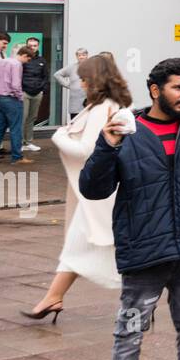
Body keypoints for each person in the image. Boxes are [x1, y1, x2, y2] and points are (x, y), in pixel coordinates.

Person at [79, 58, 180, 360]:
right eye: (177, 88)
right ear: (155, 90)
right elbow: (92, 188)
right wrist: (106, 146)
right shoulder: (128, 130)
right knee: (129, 331)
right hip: (144, 253)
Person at [24, 54, 126, 322]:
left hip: (99, 194)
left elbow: (87, 150)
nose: (80, 84)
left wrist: (58, 136)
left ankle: (53, 298)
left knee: (79, 246)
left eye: (84, 79)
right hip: (99, 192)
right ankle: (53, 298)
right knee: (86, 247)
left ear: (95, 80)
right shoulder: (109, 105)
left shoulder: (104, 107)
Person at [0, 45, 30, 164]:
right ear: (24, 55)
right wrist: (20, 97)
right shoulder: (16, 64)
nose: (27, 62)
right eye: (28, 59)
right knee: (16, 129)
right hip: (12, 99)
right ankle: (17, 157)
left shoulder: (3, 62)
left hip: (0, 98)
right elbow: (15, 85)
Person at [20, 36, 48, 153]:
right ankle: (20, 143)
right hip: (24, 93)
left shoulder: (42, 60)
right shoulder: (22, 60)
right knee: (22, 118)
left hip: (37, 93)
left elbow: (45, 76)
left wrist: (42, 90)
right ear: (26, 46)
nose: (32, 48)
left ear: (38, 47)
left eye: (35, 46)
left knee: (32, 118)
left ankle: (29, 142)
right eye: (30, 46)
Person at [53, 48, 89, 123]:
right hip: (75, 102)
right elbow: (57, 75)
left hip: (89, 101)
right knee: (75, 125)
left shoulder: (93, 67)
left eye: (83, 55)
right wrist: (68, 85)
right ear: (76, 56)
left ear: (87, 55)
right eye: (79, 55)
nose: (81, 57)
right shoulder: (72, 67)